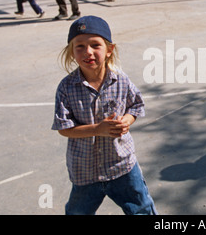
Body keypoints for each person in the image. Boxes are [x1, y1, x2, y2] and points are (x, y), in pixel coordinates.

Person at [52, 15, 157, 215]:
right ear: (72, 52)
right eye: (80, 46)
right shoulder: (66, 87)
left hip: (122, 165)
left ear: (109, 50)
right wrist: (97, 129)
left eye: (95, 45)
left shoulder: (121, 80)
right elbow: (64, 128)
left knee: (142, 209)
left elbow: (135, 105)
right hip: (85, 170)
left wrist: (127, 121)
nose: (88, 52)